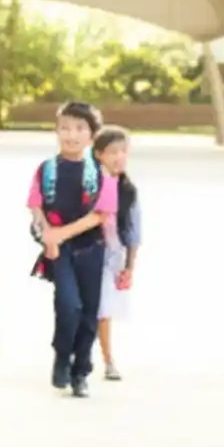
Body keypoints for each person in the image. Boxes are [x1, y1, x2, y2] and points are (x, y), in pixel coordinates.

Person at [28, 101, 119, 397]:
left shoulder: (102, 174)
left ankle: (81, 370)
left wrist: (59, 235)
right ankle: (62, 355)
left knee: (89, 312)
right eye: (65, 128)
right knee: (68, 306)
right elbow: (36, 207)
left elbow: (99, 215)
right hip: (60, 252)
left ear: (92, 135)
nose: (71, 135)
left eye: (80, 128)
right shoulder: (47, 169)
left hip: (91, 248)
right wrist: (47, 236)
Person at [91, 126, 141, 380]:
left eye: (123, 151)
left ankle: (107, 359)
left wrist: (129, 266)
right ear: (98, 154)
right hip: (88, 253)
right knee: (86, 309)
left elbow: (133, 229)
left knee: (104, 309)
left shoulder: (128, 191)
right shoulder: (90, 184)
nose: (119, 157)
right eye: (112, 152)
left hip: (113, 257)